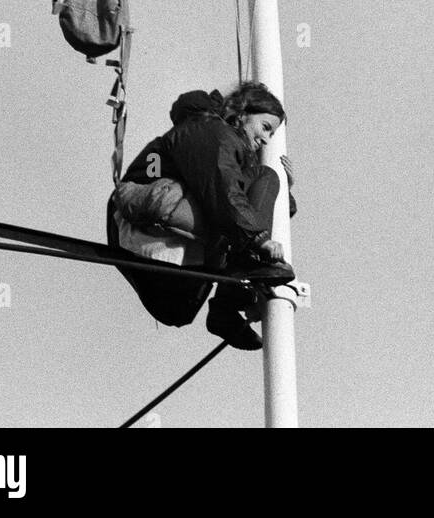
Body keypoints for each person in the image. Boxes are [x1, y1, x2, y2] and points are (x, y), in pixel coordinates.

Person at [107, 82, 296, 350]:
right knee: (246, 206)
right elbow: (222, 186)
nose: (266, 140)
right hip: (142, 219)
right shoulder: (209, 130)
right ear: (242, 113)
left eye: (272, 134)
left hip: (175, 272)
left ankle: (226, 305)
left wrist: (285, 194)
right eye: (265, 127)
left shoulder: (237, 154)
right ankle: (237, 283)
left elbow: (252, 200)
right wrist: (258, 241)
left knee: (266, 178)